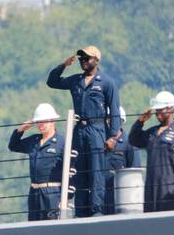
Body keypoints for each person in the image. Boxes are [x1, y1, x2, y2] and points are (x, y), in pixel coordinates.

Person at [46, 45, 122, 217]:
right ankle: (81, 209)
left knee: (96, 171)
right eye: (81, 58)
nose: (83, 61)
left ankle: (96, 209)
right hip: (79, 129)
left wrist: (112, 137)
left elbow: (115, 110)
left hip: (97, 129)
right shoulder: (76, 80)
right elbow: (52, 82)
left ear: (96, 60)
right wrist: (63, 65)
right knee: (79, 170)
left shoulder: (107, 82)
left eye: (86, 58)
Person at [127, 91, 174, 213]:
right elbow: (133, 140)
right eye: (156, 110)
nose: (158, 113)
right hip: (151, 191)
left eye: (161, 109)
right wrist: (140, 121)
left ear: (171, 109)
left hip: (170, 192)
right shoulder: (152, 133)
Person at [8, 103, 65, 221]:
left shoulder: (62, 142)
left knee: (52, 228)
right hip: (34, 192)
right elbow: (13, 146)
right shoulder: (34, 140)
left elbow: (71, 169)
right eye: (38, 121)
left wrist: (66, 196)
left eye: (43, 121)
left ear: (52, 121)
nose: (40, 125)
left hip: (52, 193)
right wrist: (20, 130)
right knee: (33, 228)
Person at [104, 105, 138, 215]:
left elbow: (134, 172)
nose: (108, 121)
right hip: (101, 196)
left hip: (120, 197)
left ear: (121, 121)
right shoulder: (99, 141)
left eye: (111, 118)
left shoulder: (130, 143)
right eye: (107, 118)